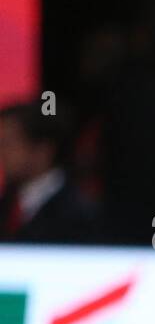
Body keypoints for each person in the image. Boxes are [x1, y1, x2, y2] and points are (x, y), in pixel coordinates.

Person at [0, 101, 100, 243]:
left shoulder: (80, 213)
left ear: (43, 150)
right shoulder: (6, 205)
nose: (2, 154)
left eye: (7, 144)